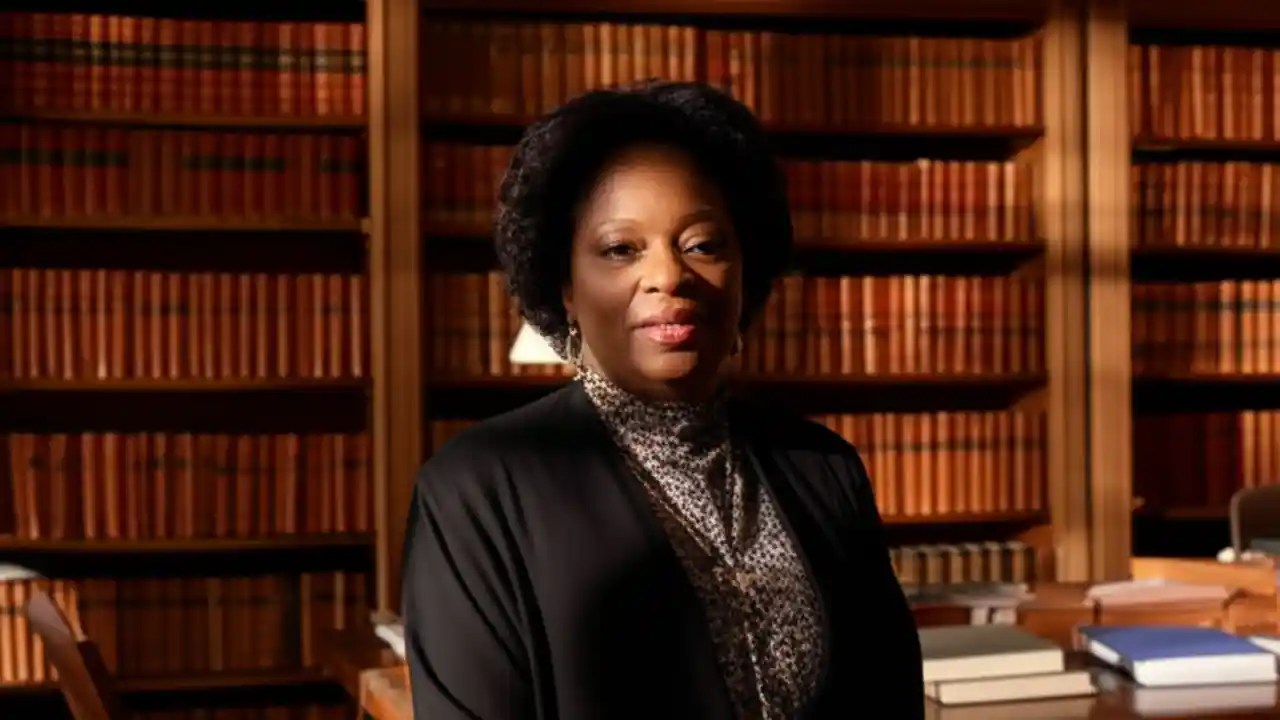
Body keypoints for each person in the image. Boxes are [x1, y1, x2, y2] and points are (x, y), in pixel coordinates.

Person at [400, 80, 924, 720]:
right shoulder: (477, 490)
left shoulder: (825, 468)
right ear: (565, 285)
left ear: (744, 269)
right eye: (621, 249)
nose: (669, 276)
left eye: (702, 244)